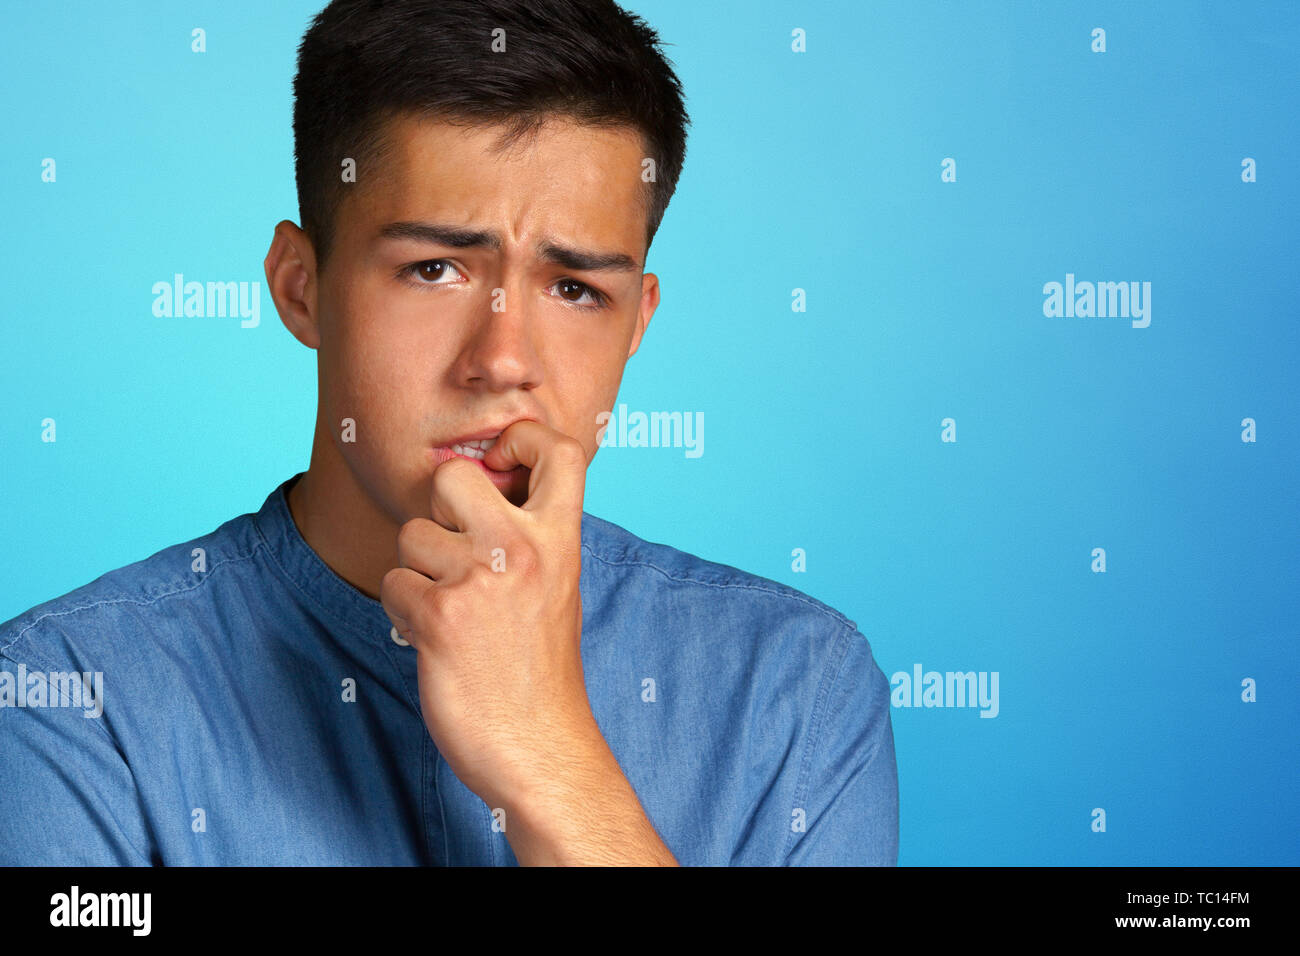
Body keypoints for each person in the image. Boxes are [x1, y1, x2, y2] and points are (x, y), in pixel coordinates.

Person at [0, 0, 898, 866]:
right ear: (300, 287)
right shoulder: (67, 698)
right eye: (434, 269)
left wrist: (551, 758)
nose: (502, 360)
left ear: (637, 325)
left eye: (576, 288)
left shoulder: (797, 690)